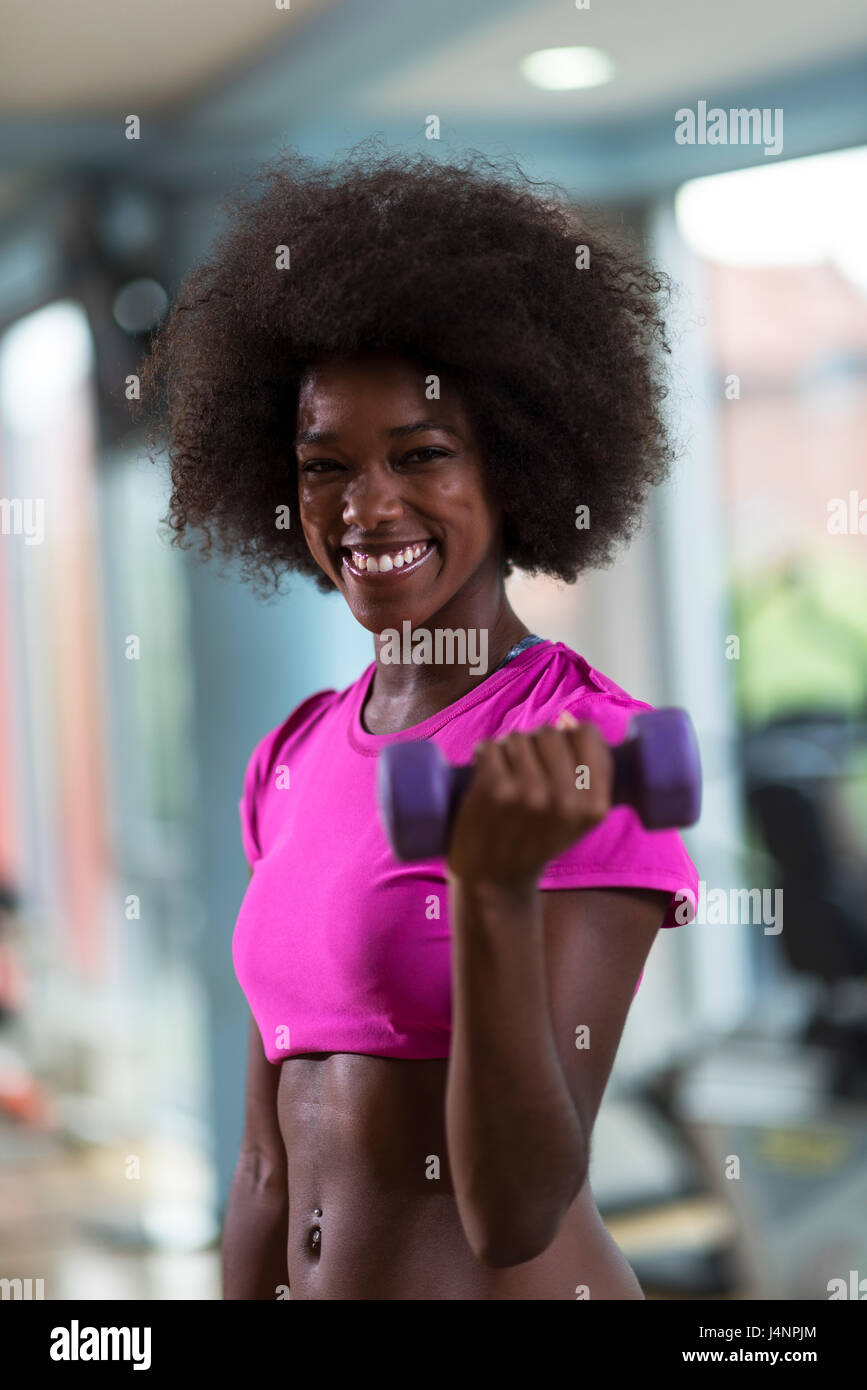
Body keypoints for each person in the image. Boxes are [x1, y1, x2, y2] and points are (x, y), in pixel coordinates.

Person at [137, 142, 699, 1300]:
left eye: (422, 455)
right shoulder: (289, 757)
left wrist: (492, 891)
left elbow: (515, 1209)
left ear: (518, 469)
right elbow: (261, 1163)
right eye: (324, 465)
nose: (365, 507)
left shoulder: (582, 760)